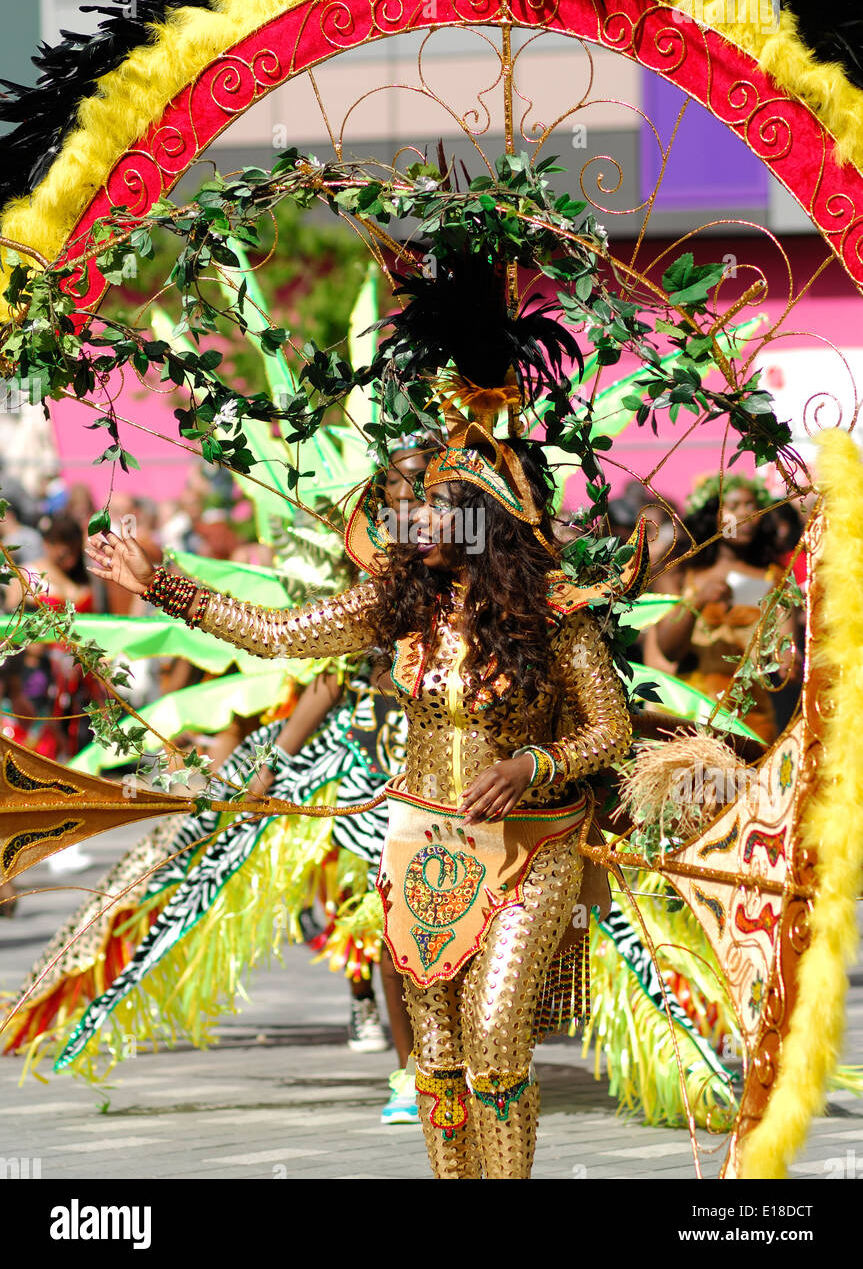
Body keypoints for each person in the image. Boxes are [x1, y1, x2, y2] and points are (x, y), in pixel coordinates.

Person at [85, 424, 634, 1179]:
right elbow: (276, 634)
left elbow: (611, 729)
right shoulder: (402, 605)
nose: (415, 521)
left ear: (487, 517)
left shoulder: (555, 616)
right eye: (415, 508)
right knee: (437, 1057)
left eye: (438, 507)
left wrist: (534, 763)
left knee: (496, 1037)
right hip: (422, 849)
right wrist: (163, 586)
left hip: (529, 849)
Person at [654, 475, 799, 743]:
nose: (745, 515)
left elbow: (786, 649)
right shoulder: (682, 574)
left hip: (749, 717)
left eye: (751, 506)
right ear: (712, 514)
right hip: (690, 713)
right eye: (733, 506)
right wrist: (697, 601)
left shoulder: (773, 577)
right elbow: (669, 650)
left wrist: (789, 661)